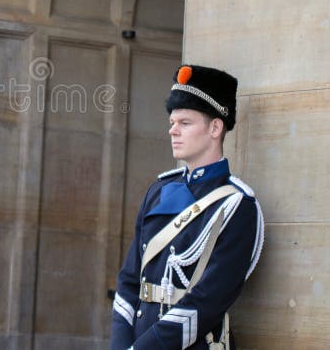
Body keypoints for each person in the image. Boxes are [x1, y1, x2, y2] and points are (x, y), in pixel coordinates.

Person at [110, 65, 264, 350]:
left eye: (185, 122)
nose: (173, 131)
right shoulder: (158, 191)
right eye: (172, 122)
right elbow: (129, 281)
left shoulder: (237, 205)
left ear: (215, 127)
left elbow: (209, 300)